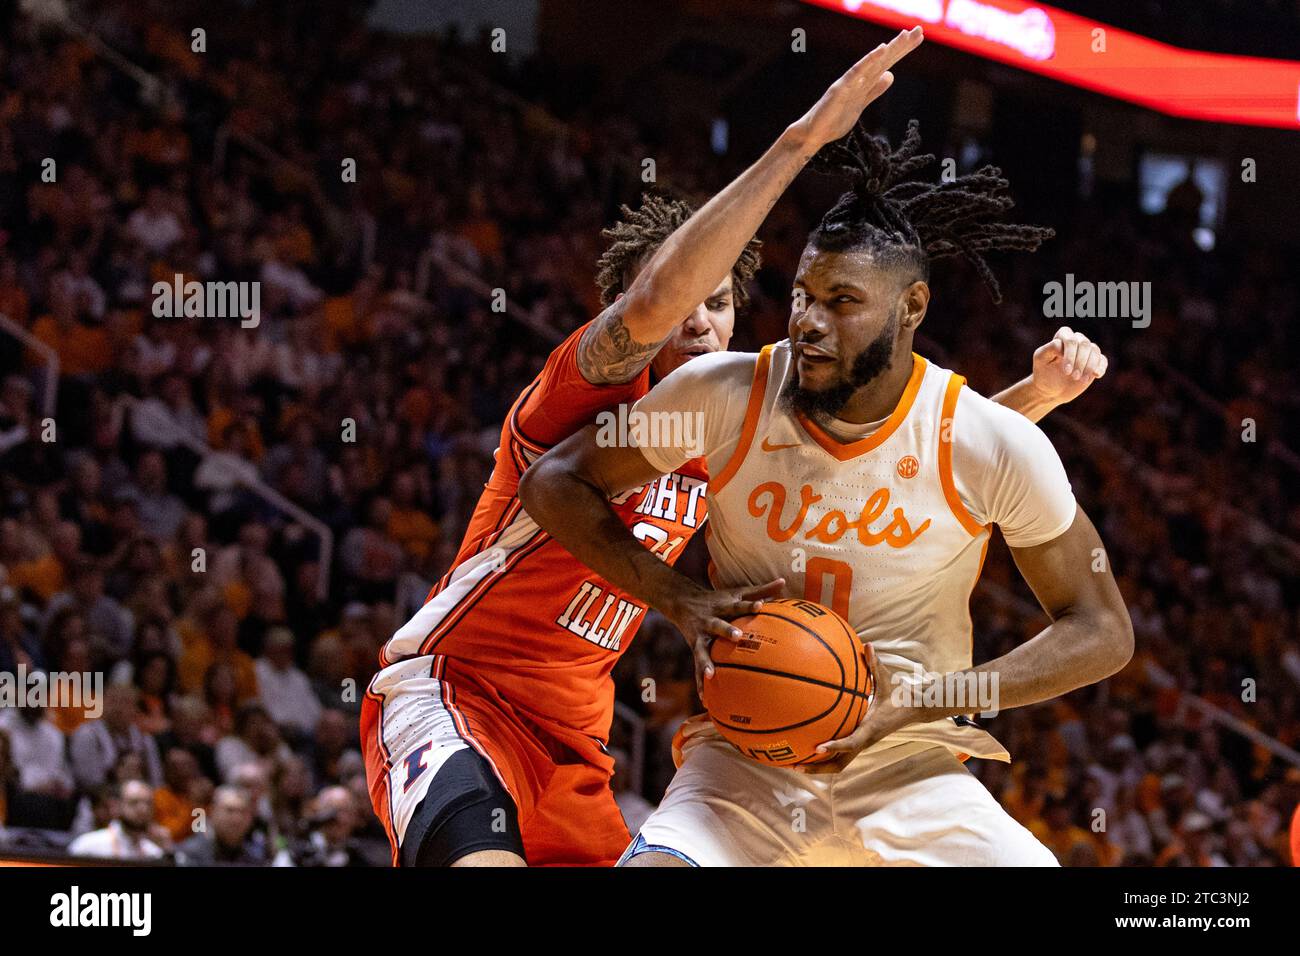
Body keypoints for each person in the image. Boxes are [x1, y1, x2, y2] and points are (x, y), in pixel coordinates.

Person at [363, 27, 1106, 868]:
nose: (697, 319)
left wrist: (1033, 401)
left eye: (719, 302)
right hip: (459, 692)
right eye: (684, 297)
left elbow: (897, 462)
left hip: (573, 739)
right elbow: (651, 306)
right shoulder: (590, 397)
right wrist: (801, 142)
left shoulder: (725, 432)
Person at [520, 116, 1134, 866]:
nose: (809, 321)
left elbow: (1101, 629)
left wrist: (933, 695)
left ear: (910, 308)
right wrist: (676, 598)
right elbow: (555, 479)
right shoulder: (723, 392)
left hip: (910, 766)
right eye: (802, 295)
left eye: (842, 302)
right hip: (741, 762)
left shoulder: (990, 439)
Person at [66, 779, 166, 860]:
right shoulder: (89, 845)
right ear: (118, 806)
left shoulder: (154, 853)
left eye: (148, 803)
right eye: (134, 802)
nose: (143, 810)